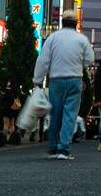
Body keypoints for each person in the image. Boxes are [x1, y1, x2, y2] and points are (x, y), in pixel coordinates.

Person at [32, 10, 94, 160]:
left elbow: (43, 60)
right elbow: (90, 59)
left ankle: (53, 147)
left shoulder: (53, 38)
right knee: (70, 115)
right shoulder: (82, 39)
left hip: (56, 80)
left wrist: (37, 80)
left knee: (55, 114)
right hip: (75, 79)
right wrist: (80, 66)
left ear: (62, 22)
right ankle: (64, 149)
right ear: (75, 23)